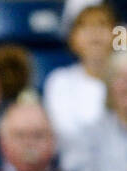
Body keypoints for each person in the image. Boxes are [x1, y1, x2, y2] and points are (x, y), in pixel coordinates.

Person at [43, 2, 115, 144]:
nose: (95, 32)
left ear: (117, 36)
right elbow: (63, 132)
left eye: (103, 24)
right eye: (84, 25)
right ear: (72, 39)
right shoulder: (60, 81)